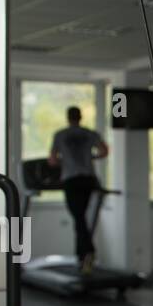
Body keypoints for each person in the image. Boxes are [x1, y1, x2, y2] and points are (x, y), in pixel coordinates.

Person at [48, 106, 109, 274]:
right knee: (80, 218)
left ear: (68, 118)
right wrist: (91, 157)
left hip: (71, 179)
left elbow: (52, 160)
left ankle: (88, 252)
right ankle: (82, 256)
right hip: (88, 179)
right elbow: (104, 151)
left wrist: (64, 162)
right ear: (80, 117)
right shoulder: (90, 134)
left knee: (79, 218)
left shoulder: (60, 135)